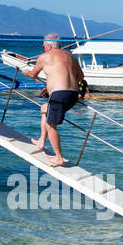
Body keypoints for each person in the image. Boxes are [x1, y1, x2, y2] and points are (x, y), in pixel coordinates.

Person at [22, 33, 87, 166]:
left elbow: (33, 74)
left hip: (59, 95)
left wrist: (26, 72)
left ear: (48, 46)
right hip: (73, 95)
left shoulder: (45, 56)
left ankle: (58, 158)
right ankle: (41, 141)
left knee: (51, 126)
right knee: (44, 109)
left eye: (44, 45)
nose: (43, 48)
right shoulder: (71, 56)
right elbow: (81, 76)